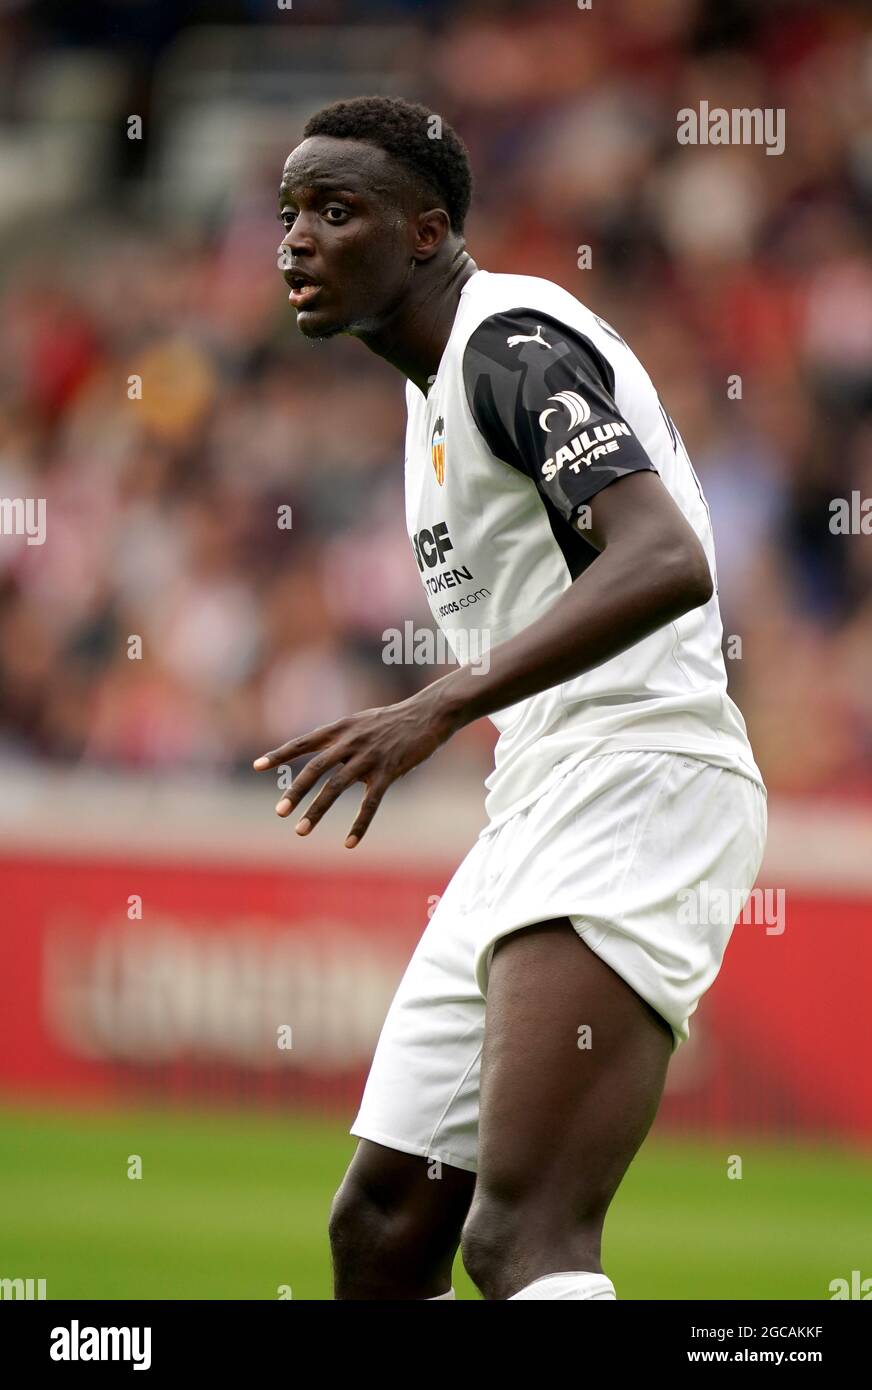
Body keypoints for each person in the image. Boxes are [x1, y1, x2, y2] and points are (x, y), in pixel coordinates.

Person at [254, 95, 767, 1301]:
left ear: (426, 232)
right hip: (539, 790)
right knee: (379, 1231)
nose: (294, 239)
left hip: (640, 769)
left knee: (519, 1237)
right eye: (286, 213)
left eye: (335, 211)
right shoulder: (427, 392)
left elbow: (664, 557)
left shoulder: (508, 341)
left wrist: (433, 705)